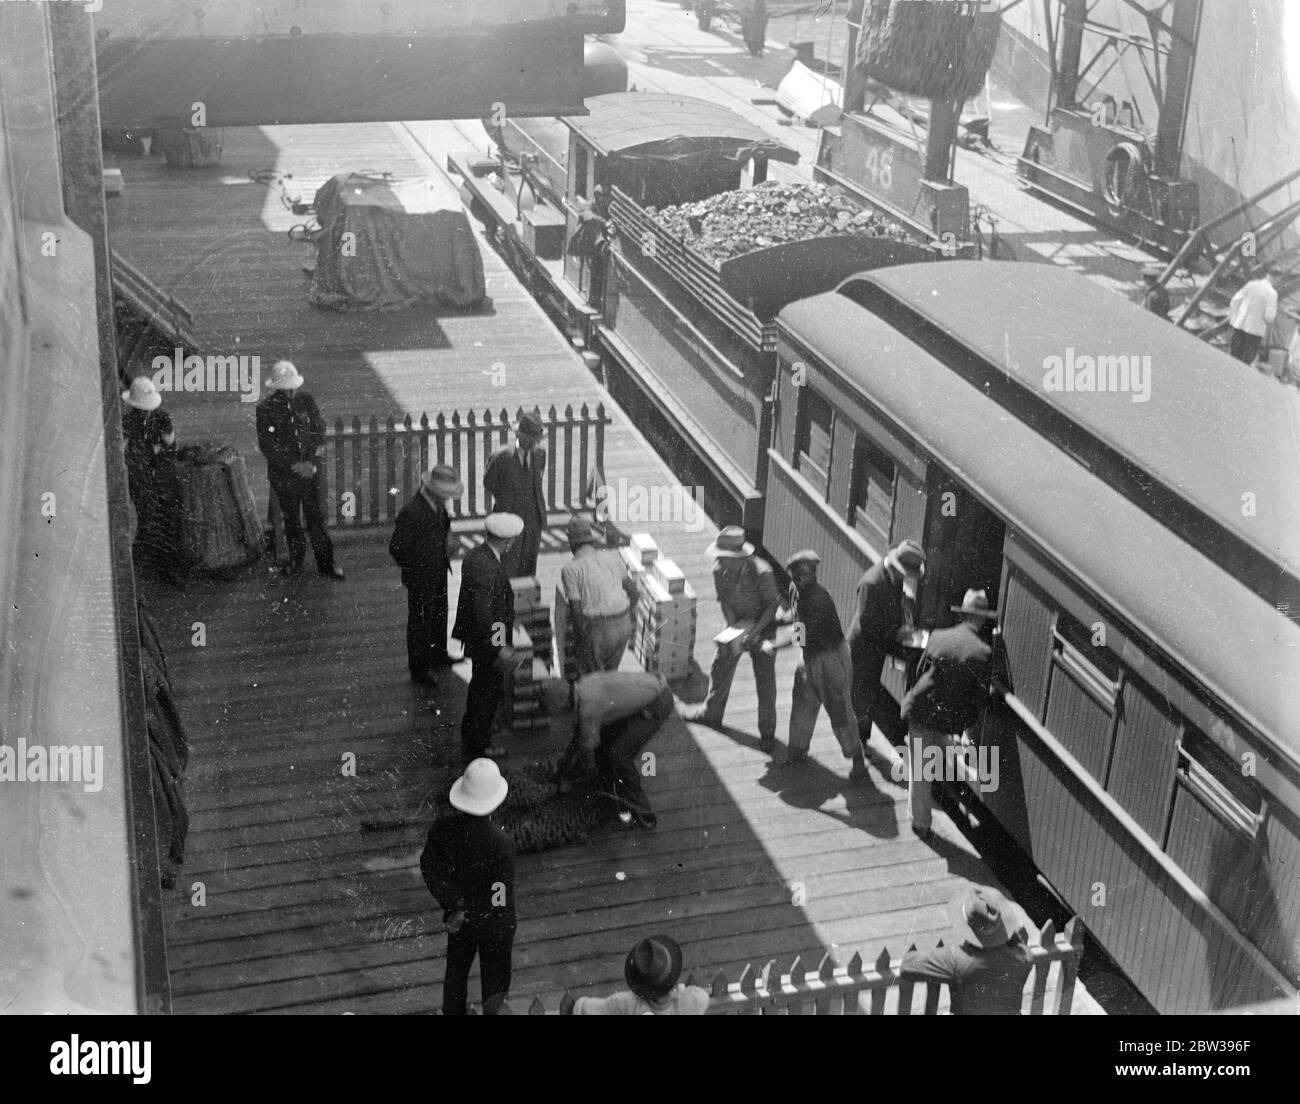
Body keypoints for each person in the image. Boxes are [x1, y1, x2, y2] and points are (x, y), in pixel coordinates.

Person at [899, 588, 998, 841]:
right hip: (947, 723)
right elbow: (978, 697)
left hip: (921, 712)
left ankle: (920, 824)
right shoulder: (983, 653)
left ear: (964, 615)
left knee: (920, 772)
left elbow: (920, 672)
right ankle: (973, 813)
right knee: (964, 765)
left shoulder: (938, 637)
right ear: (983, 618)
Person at [420, 758, 517, 1016]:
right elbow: (500, 897)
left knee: (455, 977)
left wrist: (456, 905)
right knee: (495, 986)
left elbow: (430, 867)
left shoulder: (442, 830)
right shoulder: (502, 844)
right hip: (494, 926)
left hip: (459, 921)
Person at [762, 550, 869, 779]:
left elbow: (799, 635)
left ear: (813, 574)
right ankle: (797, 752)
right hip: (810, 656)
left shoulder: (819, 598)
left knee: (840, 712)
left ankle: (857, 761)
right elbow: (796, 614)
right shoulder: (795, 590)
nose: (802, 578)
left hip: (831, 659)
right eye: (797, 574)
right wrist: (776, 619)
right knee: (802, 704)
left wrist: (772, 645)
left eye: (806, 574)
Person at [687, 527, 779, 751]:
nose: (719, 559)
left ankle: (767, 733)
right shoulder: (719, 570)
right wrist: (733, 628)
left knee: (765, 681)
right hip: (737, 623)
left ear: (738, 558)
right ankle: (712, 713)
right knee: (720, 666)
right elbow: (725, 601)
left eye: (723, 556)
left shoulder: (762, 572)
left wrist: (755, 633)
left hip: (763, 627)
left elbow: (773, 606)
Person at [255, 360, 343, 579]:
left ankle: (326, 563)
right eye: (286, 388)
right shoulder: (265, 409)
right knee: (292, 520)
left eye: (292, 386)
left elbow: (318, 431)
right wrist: (295, 465)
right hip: (285, 476)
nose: (291, 391)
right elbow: (268, 445)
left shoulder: (307, 401)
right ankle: (296, 560)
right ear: (277, 388)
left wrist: (310, 462)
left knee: (317, 520)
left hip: (309, 473)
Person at [563, 670, 675, 829]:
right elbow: (581, 734)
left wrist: (571, 775)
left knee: (619, 755)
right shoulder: (584, 684)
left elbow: (586, 748)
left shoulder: (589, 708)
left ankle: (643, 811)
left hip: (657, 703)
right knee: (606, 738)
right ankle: (610, 788)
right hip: (652, 686)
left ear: (565, 706)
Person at [899, 885, 1033, 1015]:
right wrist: (1002, 930)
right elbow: (1019, 943)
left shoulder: (958, 959)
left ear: (968, 927)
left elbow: (907, 964)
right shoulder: (1024, 957)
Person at [452, 513, 522, 762]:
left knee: (479, 687)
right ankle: (479, 746)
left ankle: (472, 730)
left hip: (476, 640)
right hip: (488, 646)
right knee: (487, 691)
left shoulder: (475, 556)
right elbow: (486, 616)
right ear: (507, 542)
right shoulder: (490, 570)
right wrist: (501, 645)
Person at [847, 539, 926, 747]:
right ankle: (858, 742)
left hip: (878, 644)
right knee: (861, 696)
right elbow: (867, 623)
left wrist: (904, 609)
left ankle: (861, 738)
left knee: (869, 691)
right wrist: (897, 633)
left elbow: (894, 600)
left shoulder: (894, 576)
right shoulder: (870, 583)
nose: (905, 578)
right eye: (904, 573)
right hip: (863, 647)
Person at [390, 464, 463, 684]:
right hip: (421, 578)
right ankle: (419, 669)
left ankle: (439, 654)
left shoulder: (437, 507)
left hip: (439, 571)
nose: (446, 499)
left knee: (440, 613)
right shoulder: (411, 512)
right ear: (431, 490)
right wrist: (418, 568)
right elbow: (397, 549)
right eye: (444, 495)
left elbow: (443, 529)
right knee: (420, 623)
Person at [121, 375, 188, 585]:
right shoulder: (127, 423)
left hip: (164, 478)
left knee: (172, 521)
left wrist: (147, 452)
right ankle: (145, 567)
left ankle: (171, 568)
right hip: (141, 481)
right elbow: (129, 455)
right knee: (147, 521)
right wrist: (153, 450)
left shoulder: (163, 418)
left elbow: (170, 448)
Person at [560, 516, 637, 675]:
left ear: (572, 544)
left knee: (593, 678)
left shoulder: (571, 570)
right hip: (623, 624)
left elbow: (576, 611)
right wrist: (631, 619)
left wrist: (581, 643)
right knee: (611, 674)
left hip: (599, 629)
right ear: (591, 540)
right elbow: (634, 592)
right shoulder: (612, 557)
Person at [571, 934, 710, 1015]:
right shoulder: (689, 1002)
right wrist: (679, 991)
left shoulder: (625, 1003)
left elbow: (581, 1008)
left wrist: (580, 1004)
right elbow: (702, 996)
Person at [483, 410, 547, 579]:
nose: (536, 444)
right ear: (521, 436)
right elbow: (489, 483)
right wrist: (506, 500)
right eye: (532, 440)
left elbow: (537, 483)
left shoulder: (540, 454)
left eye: (537, 440)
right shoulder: (500, 457)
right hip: (509, 524)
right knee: (507, 570)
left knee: (529, 571)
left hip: (533, 523)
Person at [1227, 267, 1279, 364]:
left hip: (1239, 325)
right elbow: (1269, 317)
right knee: (1245, 362)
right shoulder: (1272, 293)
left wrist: (1235, 317)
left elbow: (1235, 300)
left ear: (1267, 274)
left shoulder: (1251, 285)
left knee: (1233, 357)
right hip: (1254, 331)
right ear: (1276, 278)